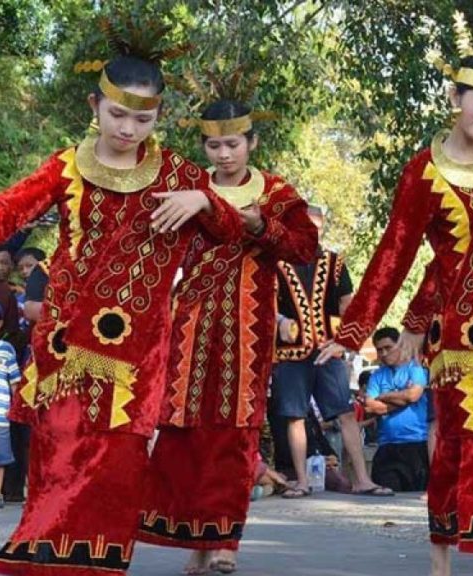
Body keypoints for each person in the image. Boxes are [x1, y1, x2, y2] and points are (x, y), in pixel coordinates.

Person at [319, 15, 473, 575]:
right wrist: (354, 333)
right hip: (460, 334)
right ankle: (440, 559)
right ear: (455, 98)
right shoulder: (423, 173)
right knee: (456, 443)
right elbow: (394, 256)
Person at [0, 26, 245, 574]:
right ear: (95, 105)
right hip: (64, 348)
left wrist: (203, 200)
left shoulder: (178, 175)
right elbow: (7, 211)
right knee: (58, 465)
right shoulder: (66, 166)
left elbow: (231, 233)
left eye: (143, 119)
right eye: (117, 114)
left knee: (116, 471)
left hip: (136, 358)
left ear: (159, 116)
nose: (128, 129)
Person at [138, 94, 318, 574]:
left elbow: (305, 247)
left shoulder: (277, 194)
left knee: (236, 433)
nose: (224, 154)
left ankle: (225, 542)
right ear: (203, 146)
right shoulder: (186, 190)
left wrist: (261, 224)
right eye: (214, 146)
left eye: (233, 144)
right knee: (186, 431)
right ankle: (197, 543)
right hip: (192, 327)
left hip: (248, 331)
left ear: (251, 142)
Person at [271, 205, 390, 498]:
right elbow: (265, 305)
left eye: (316, 226)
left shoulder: (335, 262)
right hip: (290, 353)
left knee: (346, 413)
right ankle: (302, 482)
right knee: (295, 416)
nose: (312, 231)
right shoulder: (275, 262)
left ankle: (362, 480)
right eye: (306, 225)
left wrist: (346, 340)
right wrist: (280, 321)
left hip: (329, 349)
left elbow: (348, 305)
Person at [363, 327, 431, 492]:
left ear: (400, 346)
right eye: (379, 350)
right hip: (387, 447)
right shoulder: (376, 375)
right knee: (387, 496)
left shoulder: (415, 368)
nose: (384, 353)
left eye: (388, 348)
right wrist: (403, 397)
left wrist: (384, 396)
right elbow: (370, 407)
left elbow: (413, 395)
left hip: (417, 443)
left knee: (416, 498)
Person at [0, 307, 20, 511]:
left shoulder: (6, 349)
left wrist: (15, 407)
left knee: (0, 456)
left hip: (0, 412)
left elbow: (14, 382)